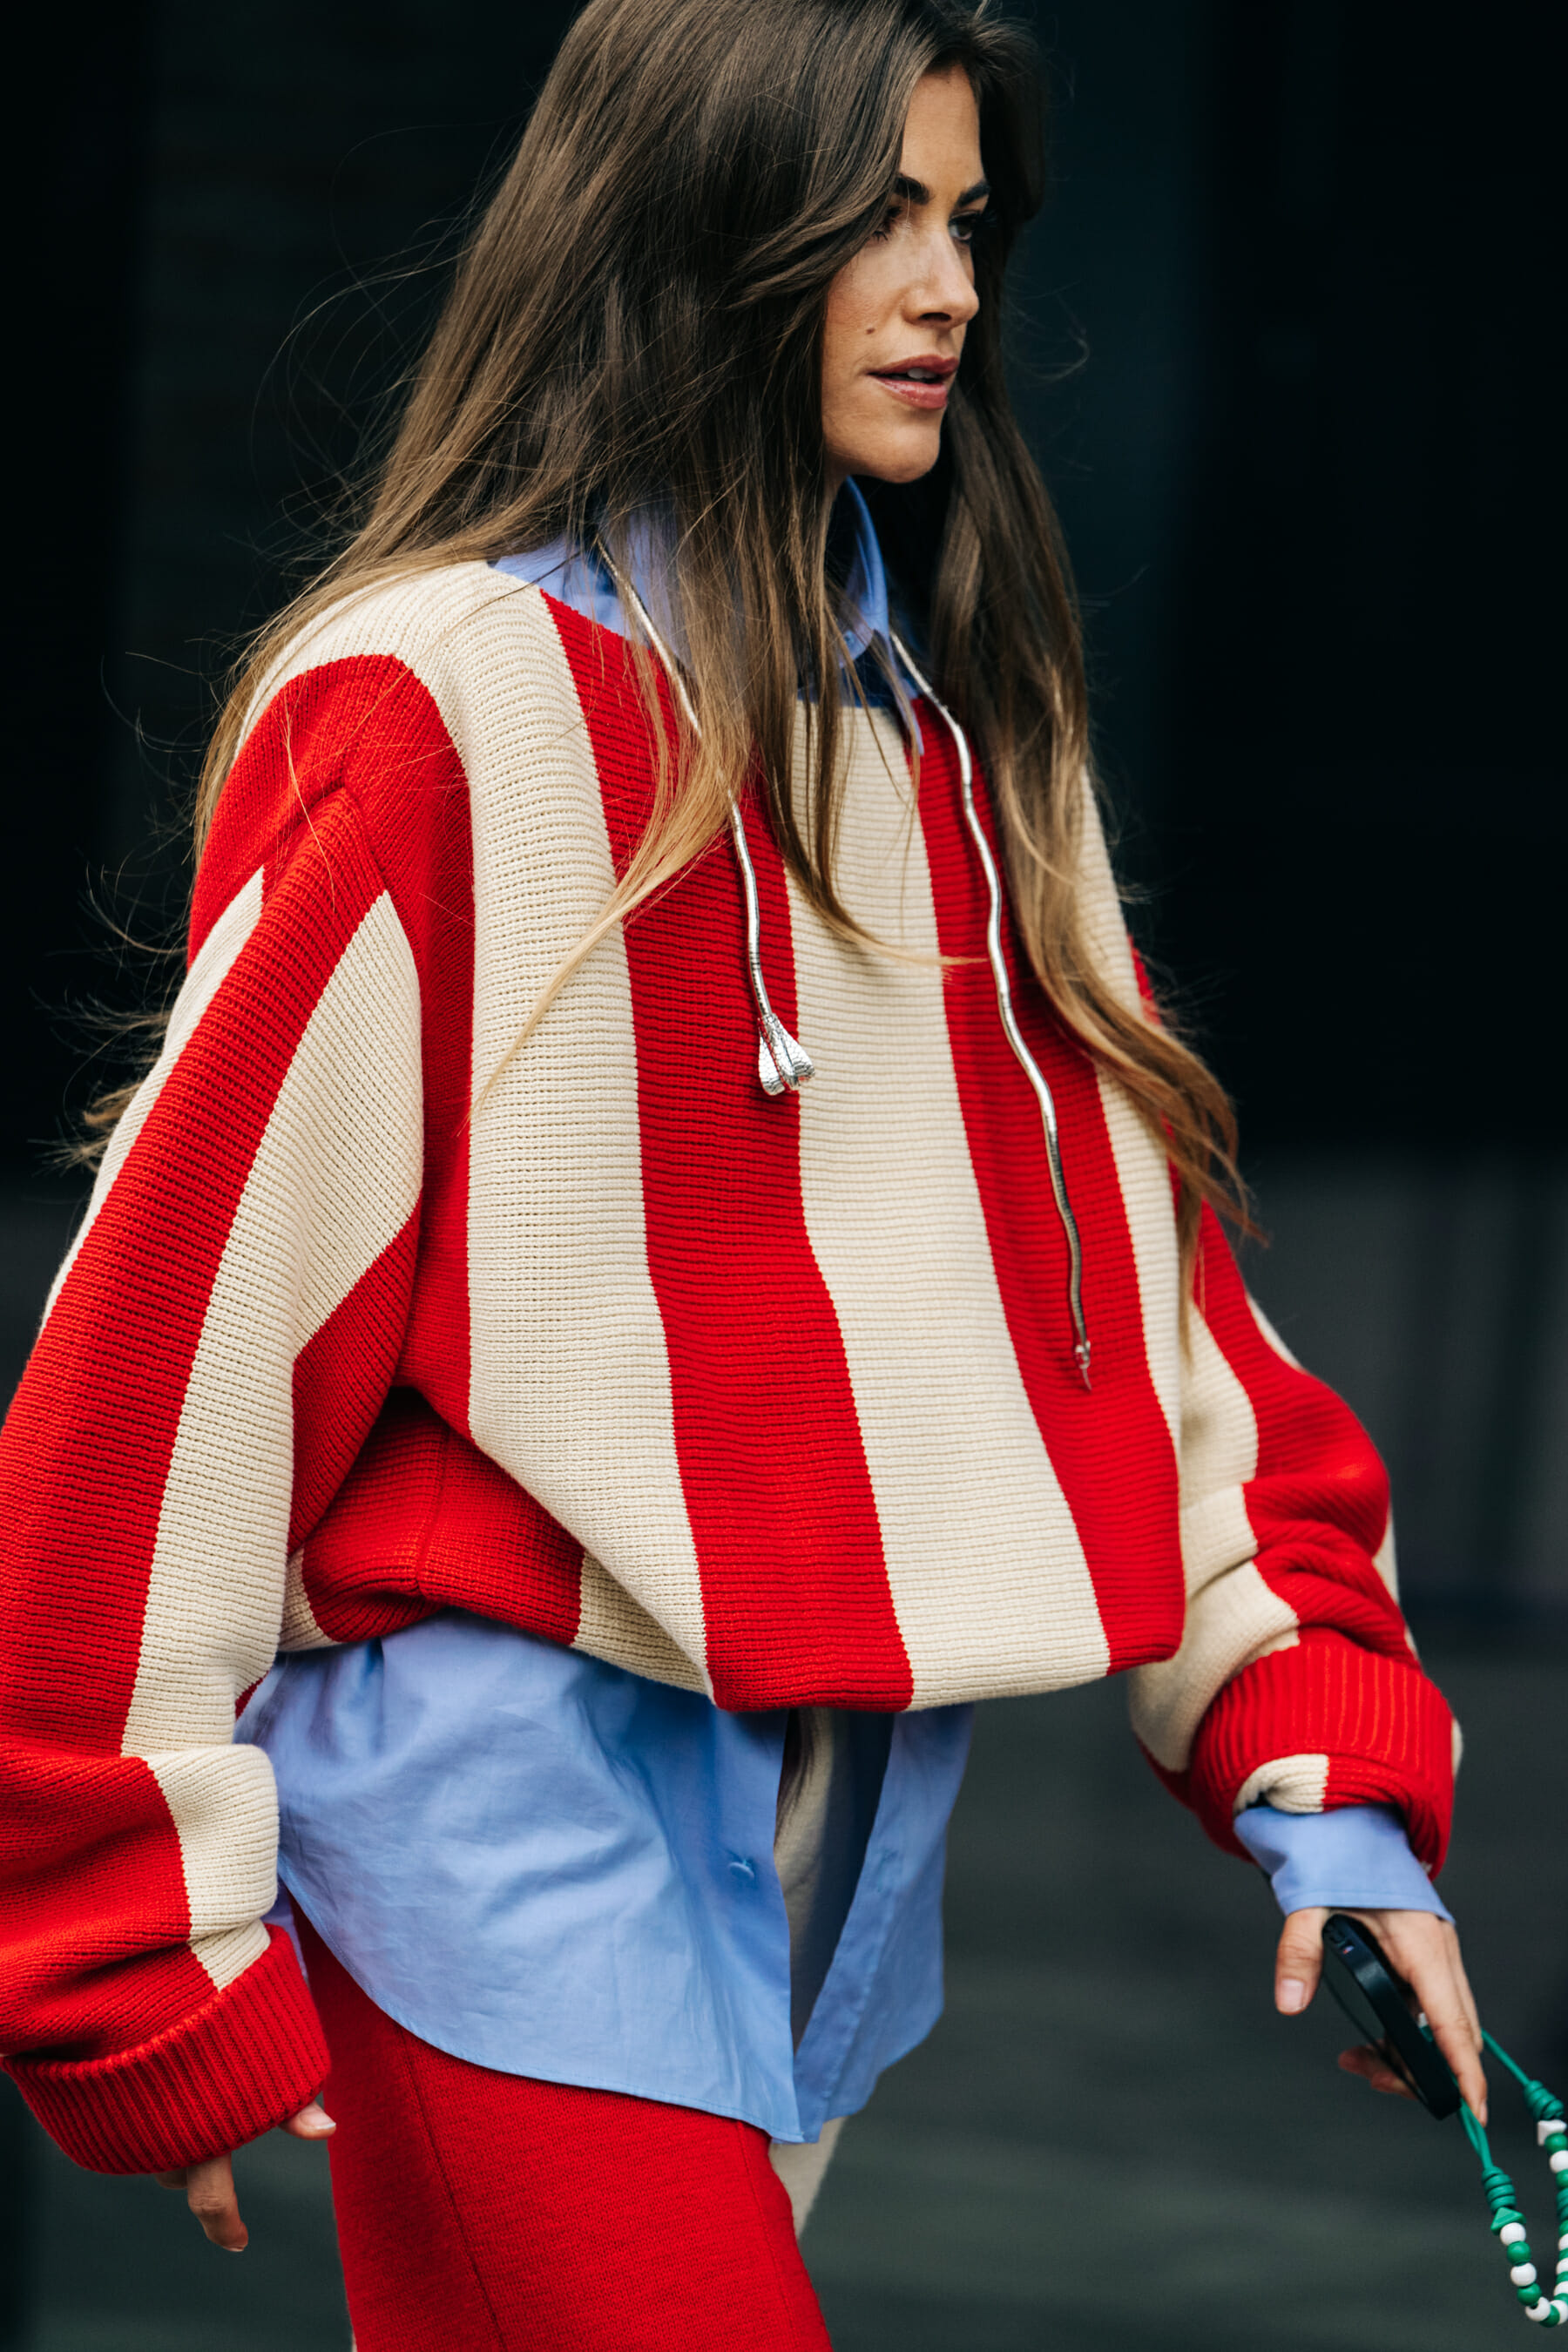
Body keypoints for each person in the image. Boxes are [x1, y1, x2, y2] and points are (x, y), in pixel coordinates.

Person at [0, 1, 1484, 2344]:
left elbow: (1149, 1314)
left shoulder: (978, 751)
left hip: (821, 1865)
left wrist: (1326, 1761)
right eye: (877, 212)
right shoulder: (442, 708)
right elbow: (169, 1352)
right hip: (483, 1832)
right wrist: (124, 1942)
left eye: (971, 216)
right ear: (691, 227)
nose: (951, 285)